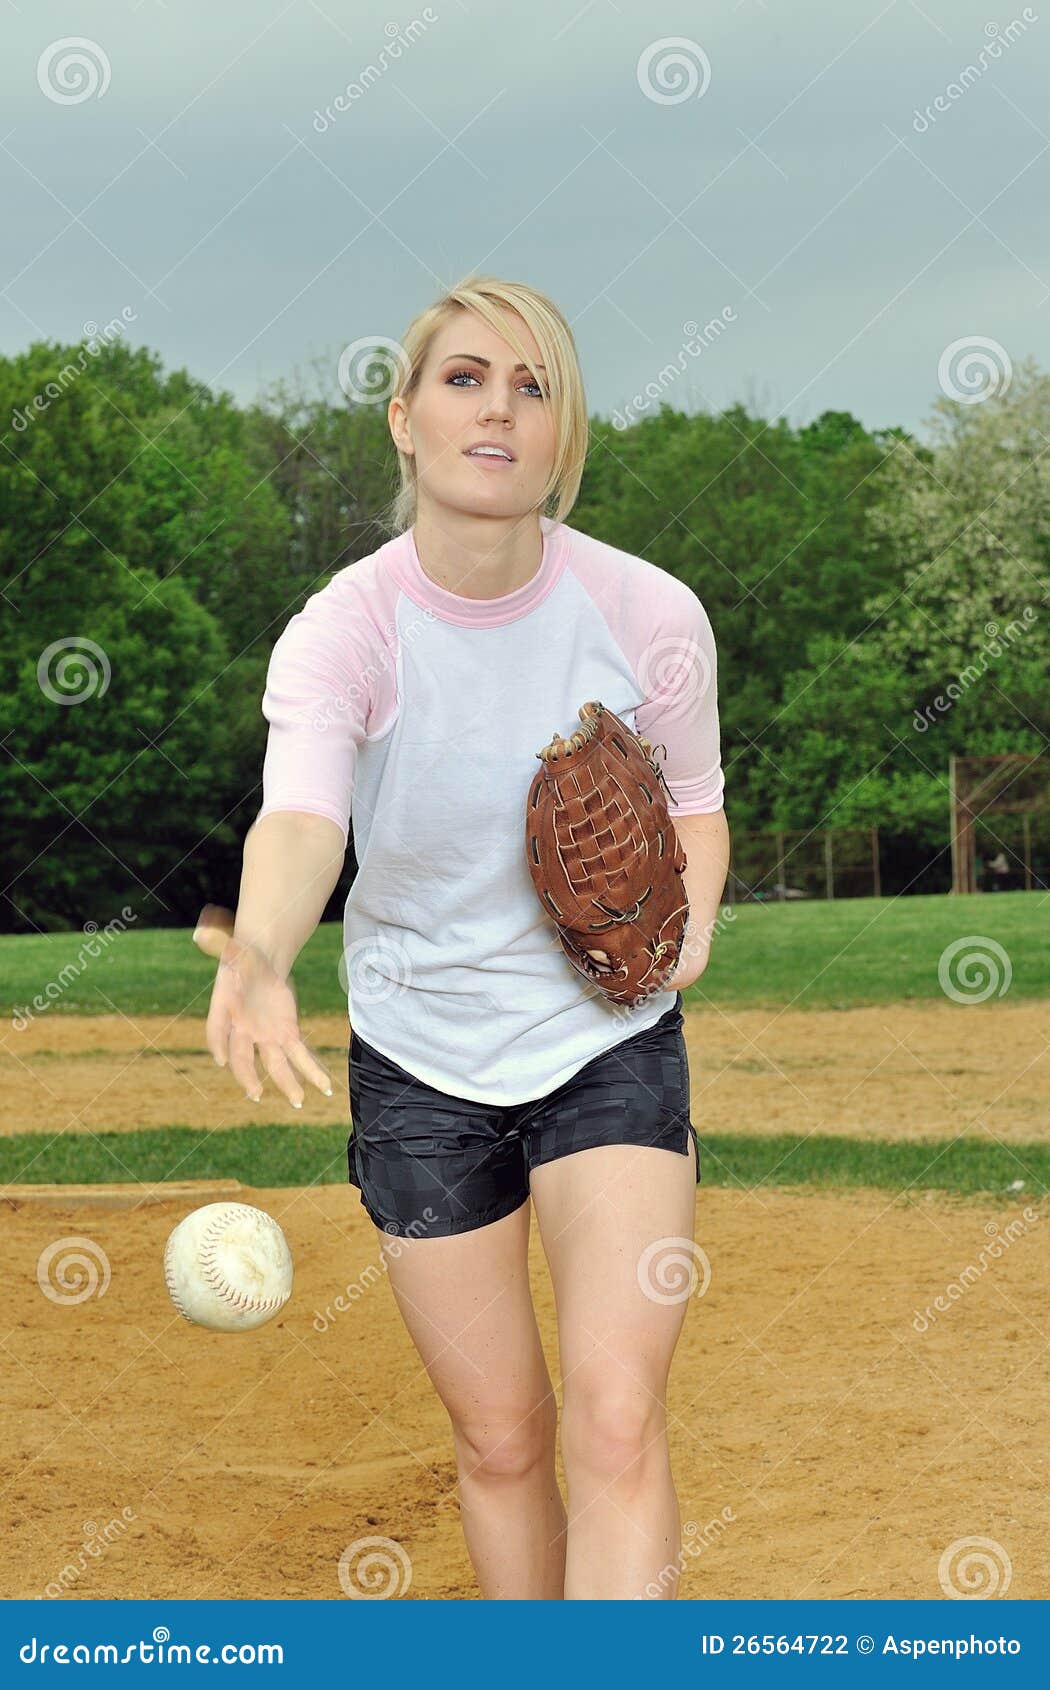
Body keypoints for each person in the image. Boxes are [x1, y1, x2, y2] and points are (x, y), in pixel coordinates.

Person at [204, 275, 731, 1600]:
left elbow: (695, 810)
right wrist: (265, 949)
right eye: (463, 379)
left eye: (531, 385)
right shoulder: (348, 628)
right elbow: (303, 821)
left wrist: (688, 934)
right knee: (501, 1441)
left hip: (600, 1036)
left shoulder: (648, 612)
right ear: (402, 418)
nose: (496, 406)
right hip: (419, 1056)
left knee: (614, 1414)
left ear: (562, 432)